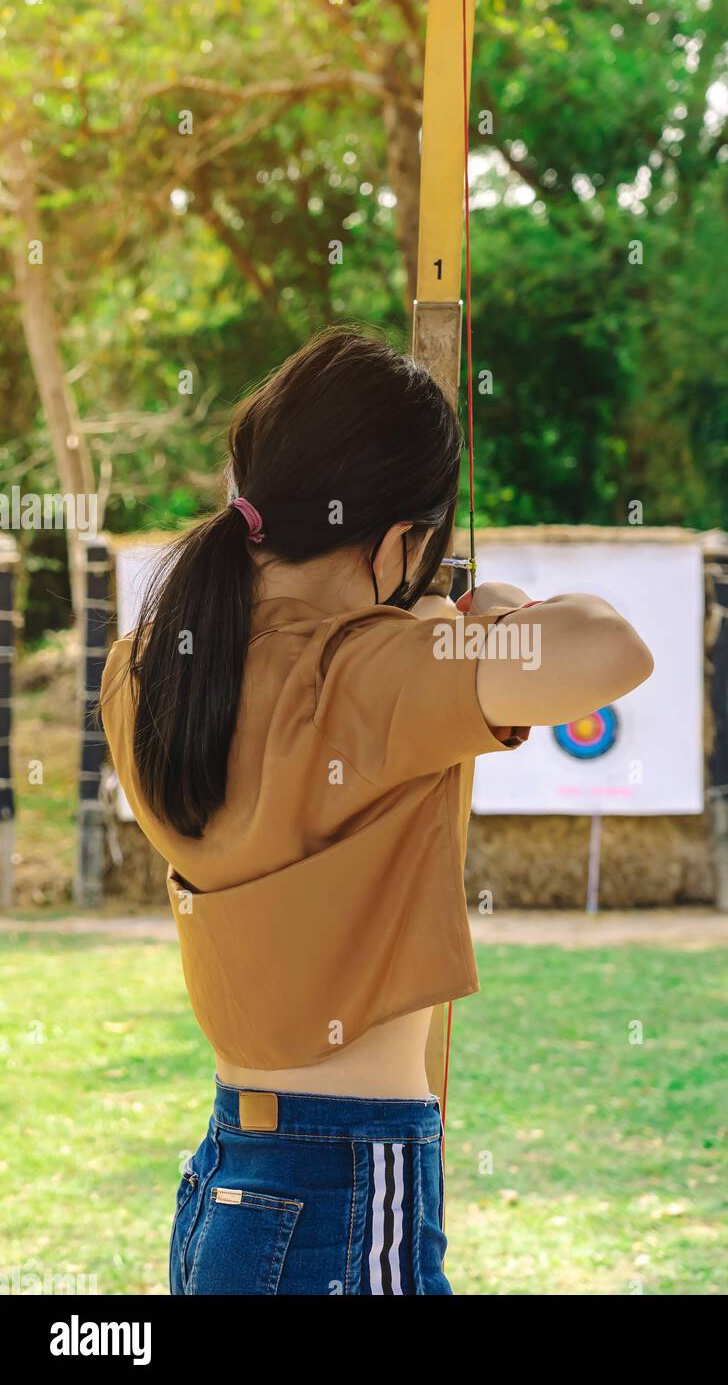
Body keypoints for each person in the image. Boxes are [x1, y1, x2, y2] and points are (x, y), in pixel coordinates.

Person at [100, 324, 654, 1295]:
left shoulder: (145, 668)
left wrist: (420, 623)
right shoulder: (364, 671)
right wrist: (485, 610)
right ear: (400, 541)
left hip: (233, 1175)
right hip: (345, 1187)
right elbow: (610, 648)